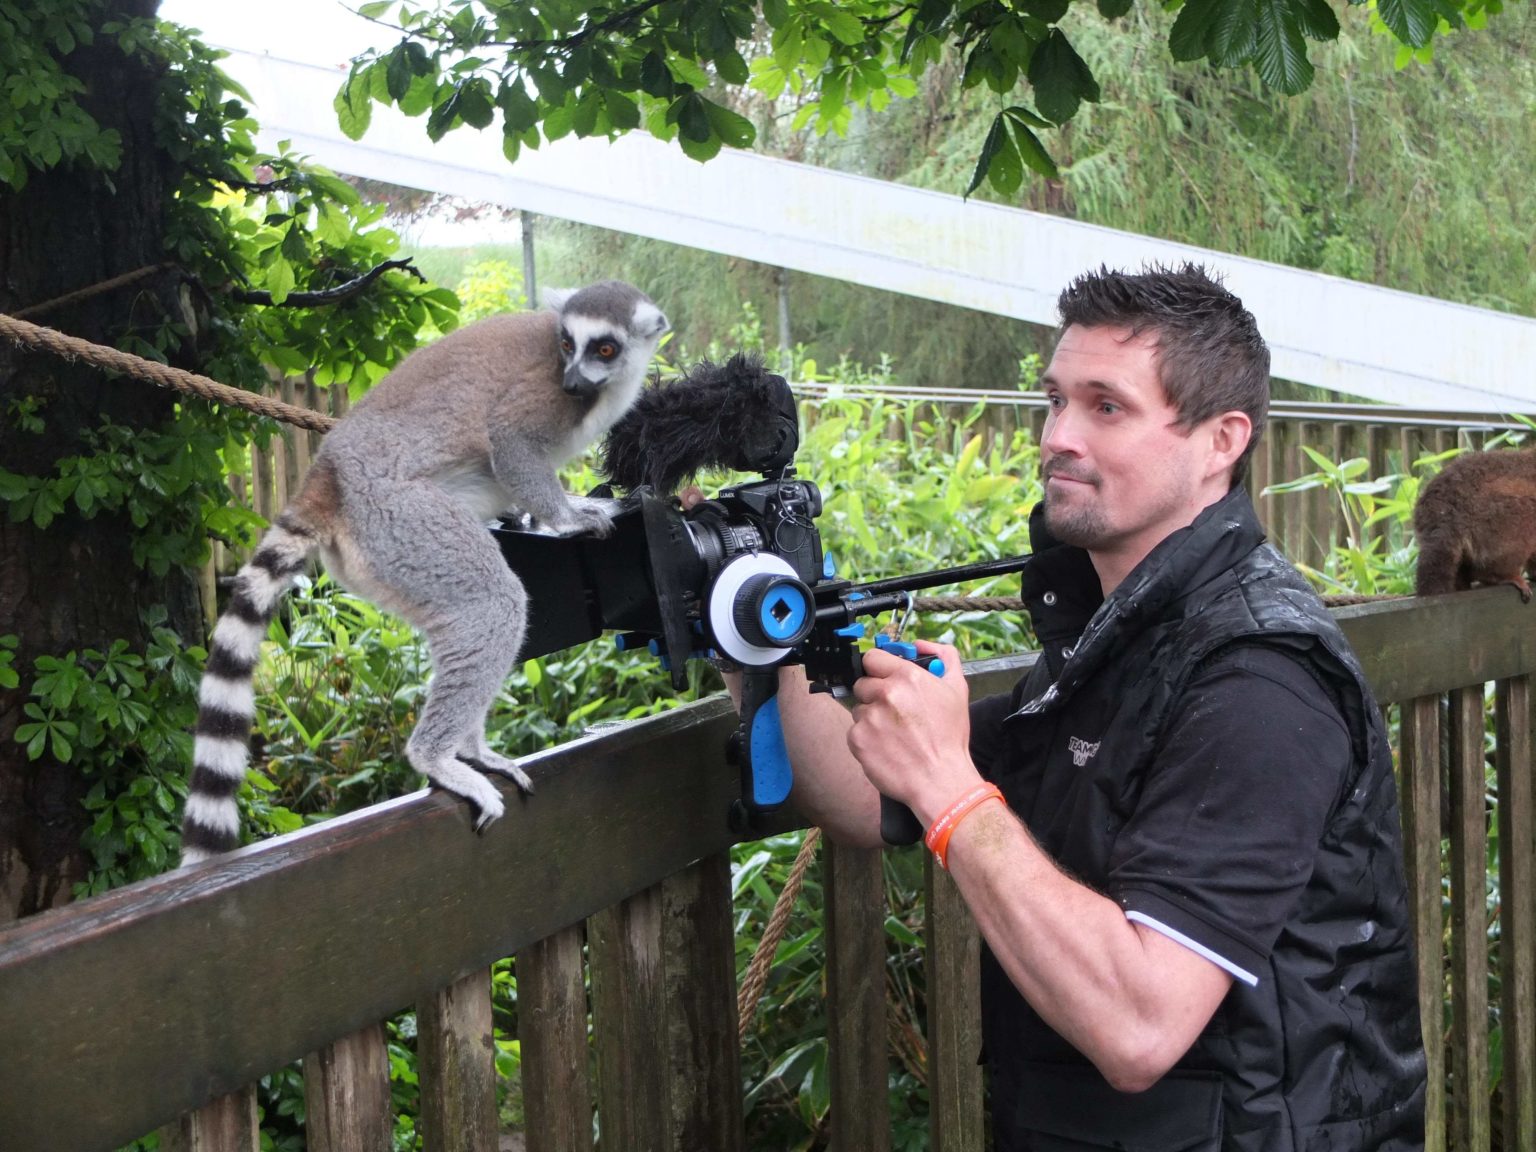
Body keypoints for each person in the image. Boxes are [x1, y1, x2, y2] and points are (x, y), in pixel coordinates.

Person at [746, 264, 1427, 1150]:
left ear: (1222, 439)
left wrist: (951, 787)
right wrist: (757, 619)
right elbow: (852, 793)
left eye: (1106, 407)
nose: (1057, 436)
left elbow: (1139, 1027)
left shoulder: (1260, 679)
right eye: (1055, 399)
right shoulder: (1115, 637)